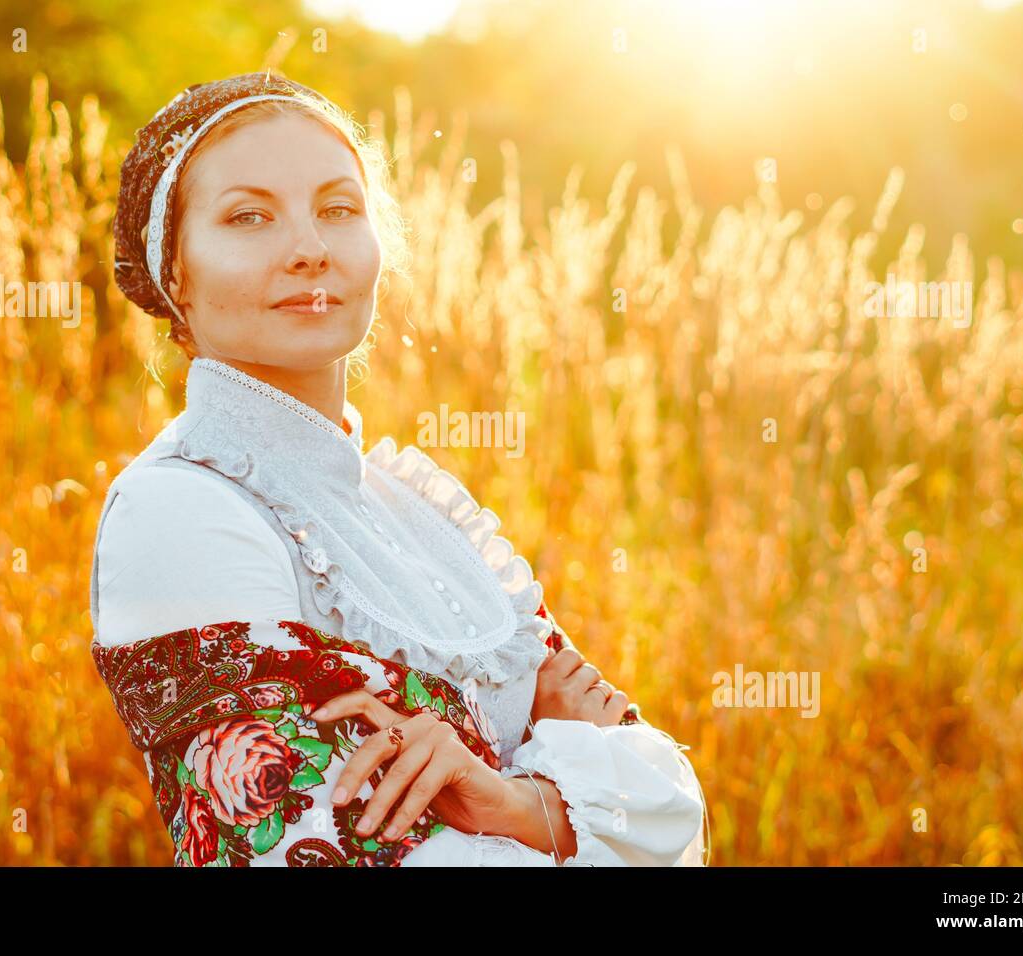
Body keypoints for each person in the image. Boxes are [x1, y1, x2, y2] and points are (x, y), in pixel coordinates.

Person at [90, 71, 707, 866]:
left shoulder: (424, 514)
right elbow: (323, 849)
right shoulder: (178, 510)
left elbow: (679, 815)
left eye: (339, 209)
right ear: (172, 272)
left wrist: (521, 805)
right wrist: (569, 802)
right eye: (249, 216)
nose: (310, 249)